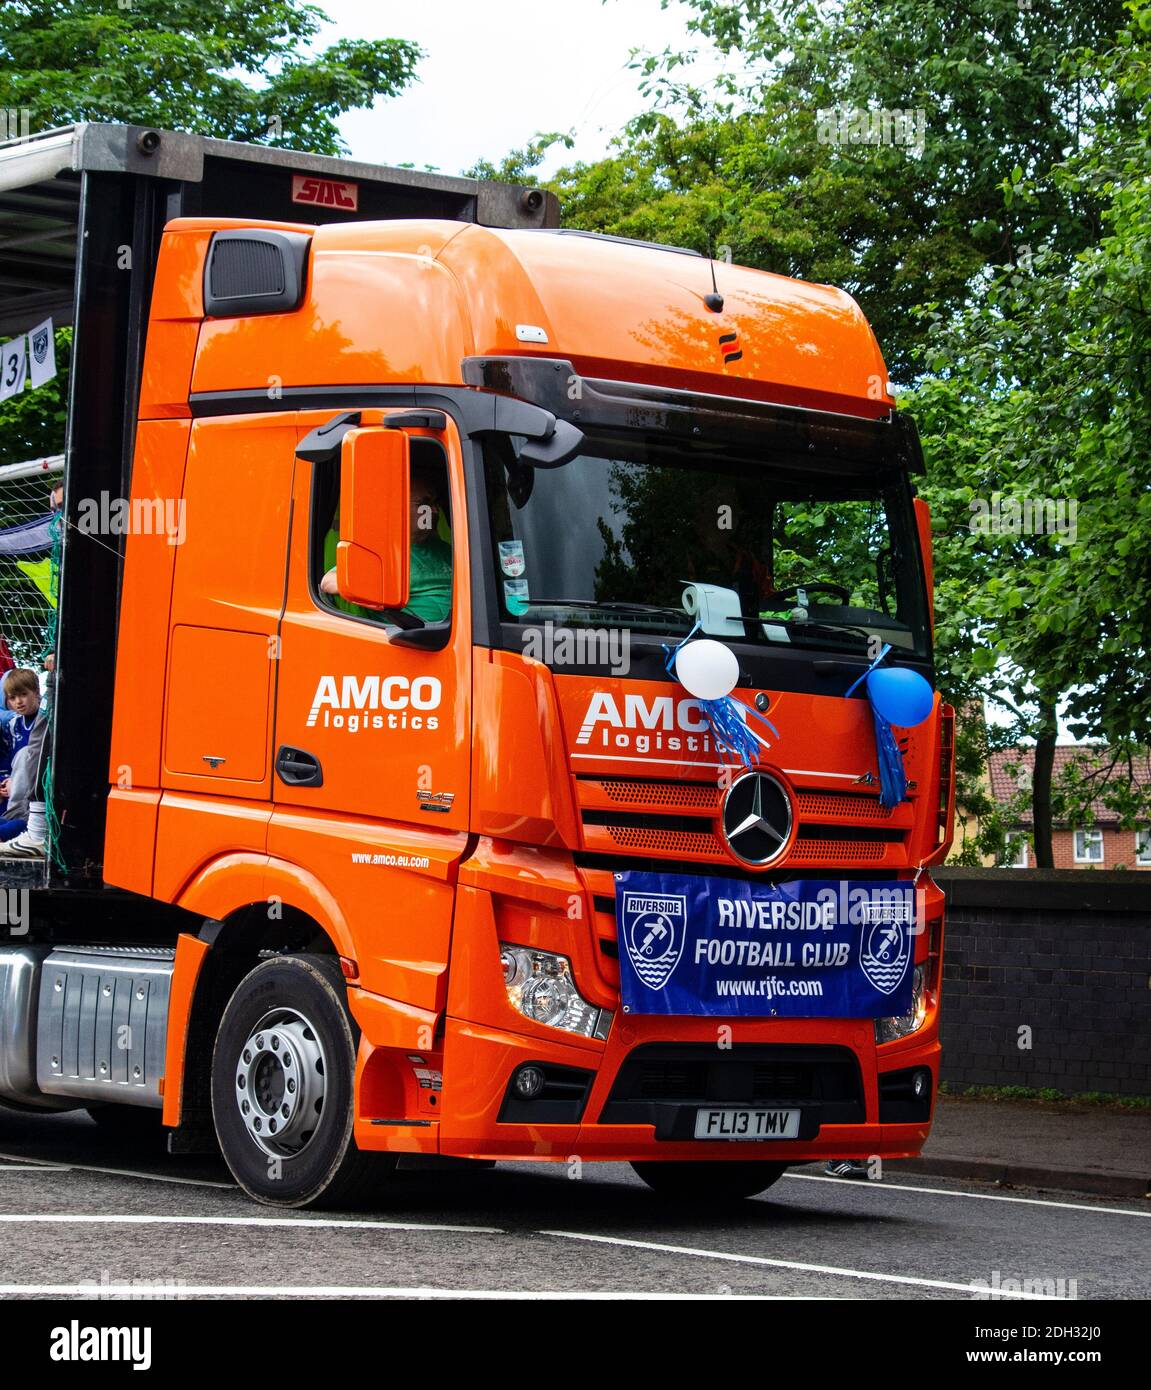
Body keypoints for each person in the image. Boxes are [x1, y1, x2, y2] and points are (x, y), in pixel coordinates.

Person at [319, 462, 452, 626]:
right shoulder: (378, 552)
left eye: (434, 503)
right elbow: (328, 581)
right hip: (416, 642)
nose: (434, 511)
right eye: (425, 503)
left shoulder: (446, 550)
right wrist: (378, 590)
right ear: (398, 508)